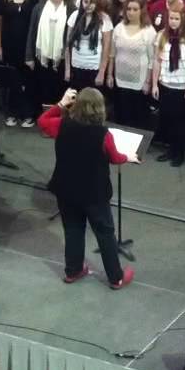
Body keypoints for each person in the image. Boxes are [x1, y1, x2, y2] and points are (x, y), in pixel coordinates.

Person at [38, 88, 136, 288]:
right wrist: (129, 157)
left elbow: (42, 121)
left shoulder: (62, 125)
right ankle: (116, 277)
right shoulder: (103, 134)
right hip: (94, 194)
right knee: (104, 233)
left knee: (73, 230)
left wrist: (61, 103)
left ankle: (73, 271)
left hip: (66, 190)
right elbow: (115, 158)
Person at [0, 0, 42, 127]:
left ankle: (28, 114)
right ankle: (12, 113)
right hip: (9, 46)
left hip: (28, 47)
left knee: (29, 81)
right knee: (12, 81)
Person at [152, 5, 185, 166]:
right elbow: (157, 60)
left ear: (183, 19)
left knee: (180, 121)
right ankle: (170, 150)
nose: (174, 22)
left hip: (182, 86)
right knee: (167, 118)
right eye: (171, 18)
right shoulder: (162, 35)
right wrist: (155, 84)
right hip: (165, 83)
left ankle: (179, 152)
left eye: (177, 19)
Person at [109, 0, 157, 128]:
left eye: (135, 9)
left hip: (139, 83)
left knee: (137, 120)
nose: (131, 12)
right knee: (121, 117)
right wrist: (109, 75)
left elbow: (152, 60)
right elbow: (112, 54)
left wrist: (148, 82)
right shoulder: (119, 28)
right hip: (120, 80)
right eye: (129, 9)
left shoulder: (149, 31)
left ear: (142, 11)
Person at [26, 0, 73, 107]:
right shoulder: (39, 7)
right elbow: (32, 32)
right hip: (43, 58)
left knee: (60, 92)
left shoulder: (71, 9)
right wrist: (29, 57)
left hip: (62, 60)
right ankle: (44, 119)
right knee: (43, 90)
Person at [64, 0, 113, 90]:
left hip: (94, 67)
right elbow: (68, 44)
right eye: (86, 1)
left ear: (98, 3)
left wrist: (101, 72)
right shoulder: (75, 16)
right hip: (76, 66)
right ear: (81, 2)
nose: (89, 5)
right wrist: (67, 69)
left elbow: (106, 49)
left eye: (93, 2)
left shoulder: (104, 19)